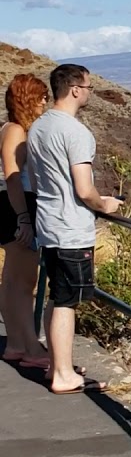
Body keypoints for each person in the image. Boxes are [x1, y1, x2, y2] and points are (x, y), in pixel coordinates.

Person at [26, 64, 119, 394]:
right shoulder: (76, 133)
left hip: (48, 223)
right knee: (67, 302)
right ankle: (64, 374)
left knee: (57, 295)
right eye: (89, 87)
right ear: (76, 89)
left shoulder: (38, 127)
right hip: (71, 227)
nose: (90, 93)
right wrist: (104, 204)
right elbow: (83, 188)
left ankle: (57, 365)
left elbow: (35, 179)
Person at [1, 74, 50, 367]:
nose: (45, 101)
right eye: (41, 96)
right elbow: (12, 176)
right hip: (18, 206)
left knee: (11, 280)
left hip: (13, 206)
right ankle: (32, 348)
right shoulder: (16, 130)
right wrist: (24, 218)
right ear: (28, 99)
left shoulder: (10, 129)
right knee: (23, 283)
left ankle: (16, 344)